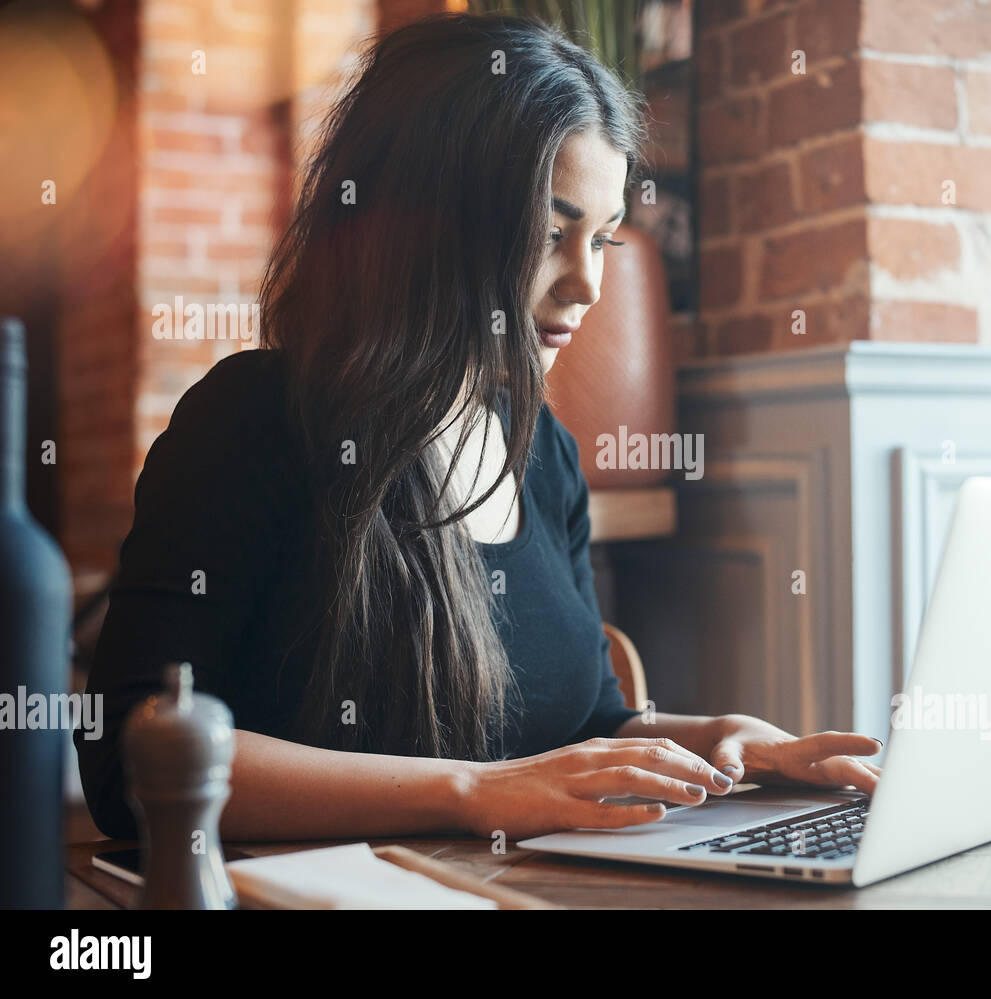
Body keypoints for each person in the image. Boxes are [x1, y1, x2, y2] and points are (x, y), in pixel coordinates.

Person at [76, 11, 881, 844]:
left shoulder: (545, 455)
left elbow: (586, 719)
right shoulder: (251, 423)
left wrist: (717, 738)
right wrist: (471, 791)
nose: (590, 284)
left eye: (603, 239)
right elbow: (129, 756)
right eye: (553, 232)